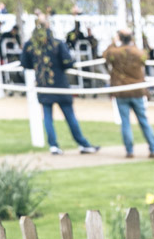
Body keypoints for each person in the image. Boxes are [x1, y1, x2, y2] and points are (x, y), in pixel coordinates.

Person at [23, 14, 100, 156]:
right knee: (69, 116)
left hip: (44, 85)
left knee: (48, 116)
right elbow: (68, 62)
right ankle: (82, 143)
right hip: (60, 85)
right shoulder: (57, 44)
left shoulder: (30, 45)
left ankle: (54, 145)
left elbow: (26, 63)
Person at [105, 29, 154, 158]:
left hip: (121, 91)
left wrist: (113, 42)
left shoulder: (114, 52)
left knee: (125, 122)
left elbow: (105, 55)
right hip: (137, 91)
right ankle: (153, 148)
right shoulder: (137, 52)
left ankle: (129, 151)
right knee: (143, 121)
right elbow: (144, 57)